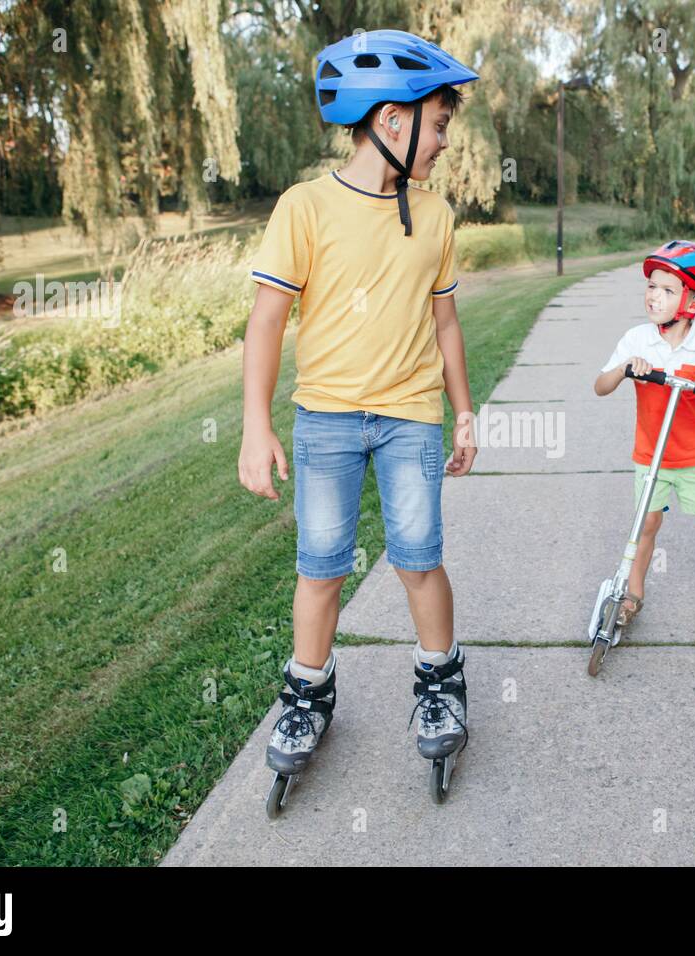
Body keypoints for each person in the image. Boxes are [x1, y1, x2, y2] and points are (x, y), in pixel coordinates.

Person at [237, 29, 478, 789]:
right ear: (392, 119)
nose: (443, 142)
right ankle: (308, 694)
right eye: (438, 124)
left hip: (411, 415)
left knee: (418, 558)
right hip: (328, 420)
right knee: (321, 568)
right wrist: (255, 424)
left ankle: (440, 685)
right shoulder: (304, 209)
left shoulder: (435, 217)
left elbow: (444, 323)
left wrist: (463, 410)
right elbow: (267, 320)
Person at [593, 240, 695, 626]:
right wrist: (627, 366)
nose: (654, 296)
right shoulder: (636, 340)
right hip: (650, 454)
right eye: (651, 286)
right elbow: (601, 385)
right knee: (645, 524)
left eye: (667, 290)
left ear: (693, 303)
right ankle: (632, 596)